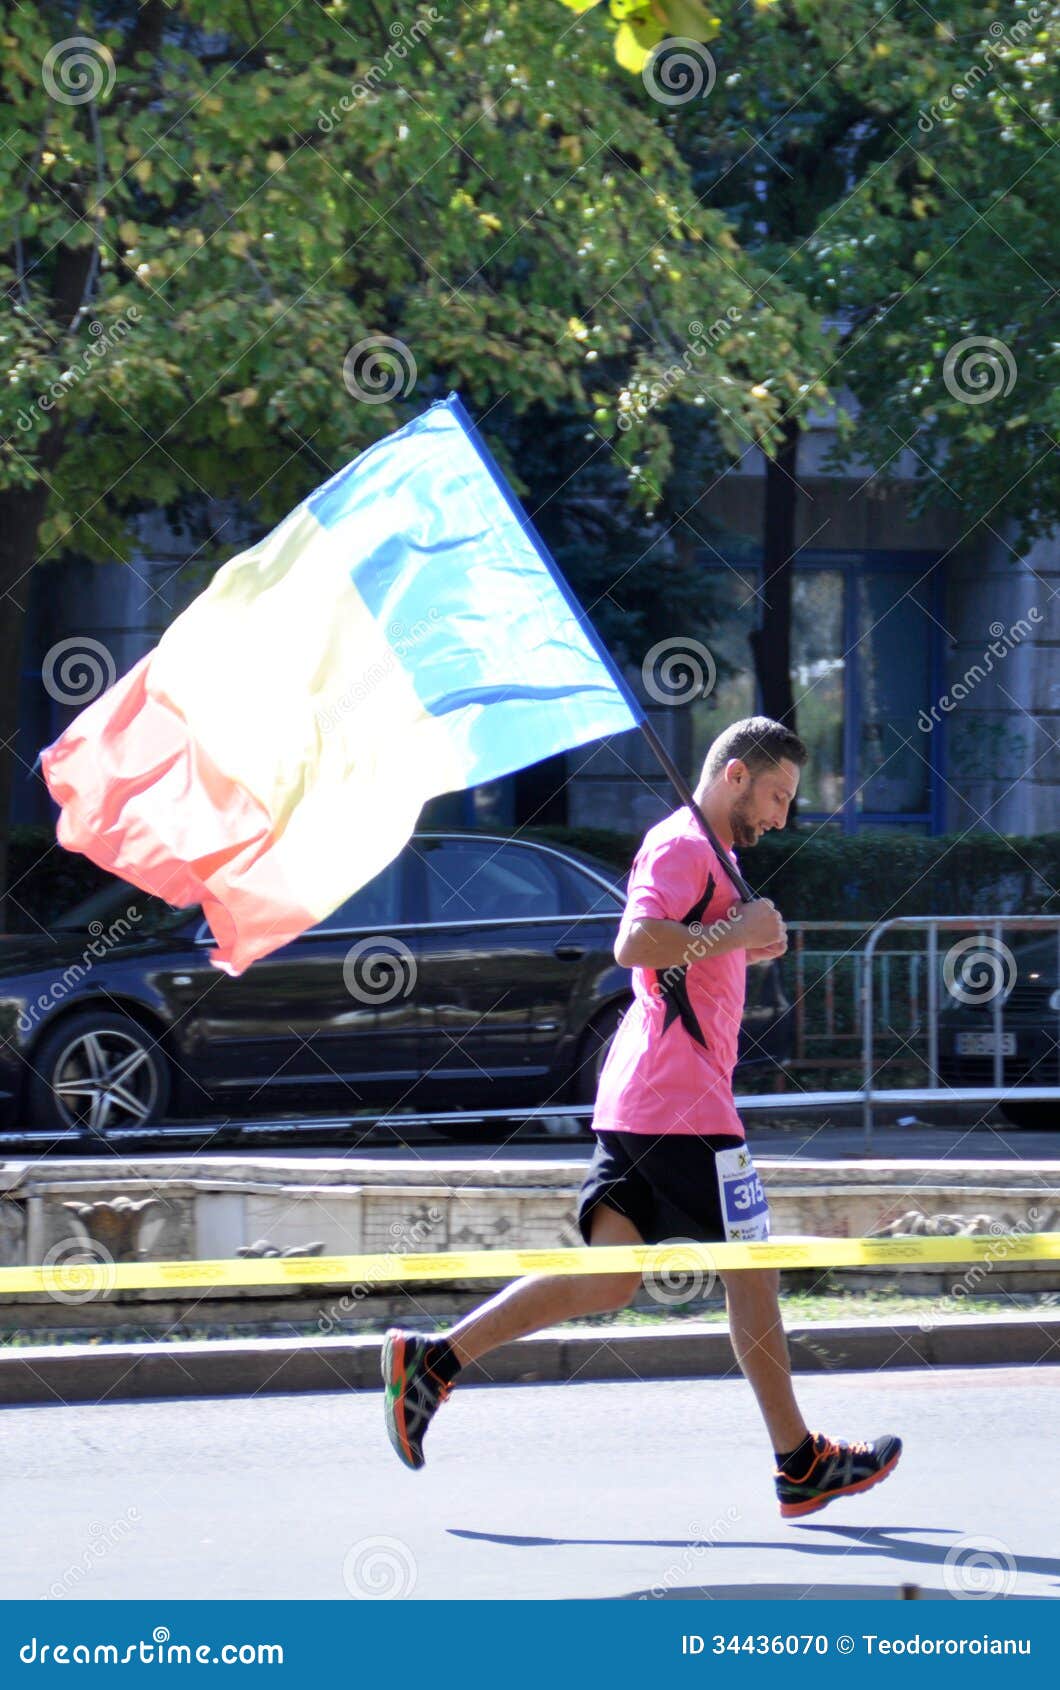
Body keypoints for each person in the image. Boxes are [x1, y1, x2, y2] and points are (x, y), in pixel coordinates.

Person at [381, 716, 901, 1519]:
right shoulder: (683, 844)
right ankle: (800, 1462)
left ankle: (434, 1362)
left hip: (645, 1096)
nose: (781, 816)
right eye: (774, 795)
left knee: (612, 1277)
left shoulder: (711, 852)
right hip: (684, 1103)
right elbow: (633, 944)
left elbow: (682, 951)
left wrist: (738, 945)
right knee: (751, 1273)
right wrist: (736, 930)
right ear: (734, 776)